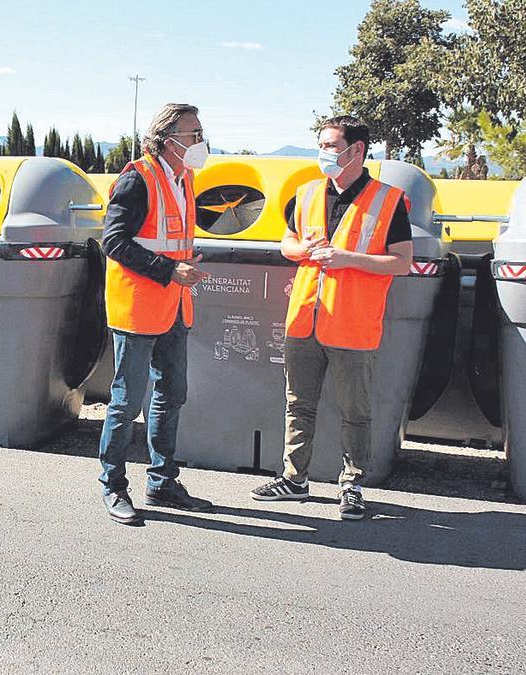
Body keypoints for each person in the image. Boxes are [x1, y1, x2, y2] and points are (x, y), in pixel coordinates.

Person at [250, 115, 414, 521]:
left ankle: (352, 484)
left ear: (356, 150)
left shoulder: (388, 200)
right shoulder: (306, 194)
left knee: (354, 411)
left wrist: (347, 259)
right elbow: (287, 242)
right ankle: (294, 479)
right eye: (320, 144)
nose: (322, 152)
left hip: (353, 324)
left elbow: (402, 263)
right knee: (298, 404)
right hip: (303, 320)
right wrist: (300, 248)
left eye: (329, 145)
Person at [98, 103, 214, 525]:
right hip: (138, 308)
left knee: (171, 395)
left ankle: (162, 482)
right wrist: (169, 269)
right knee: (127, 402)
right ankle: (113, 486)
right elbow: (113, 242)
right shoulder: (137, 178)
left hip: (175, 306)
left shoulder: (185, 178)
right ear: (170, 141)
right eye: (194, 134)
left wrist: (181, 262)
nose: (201, 141)